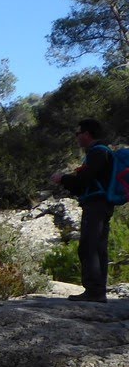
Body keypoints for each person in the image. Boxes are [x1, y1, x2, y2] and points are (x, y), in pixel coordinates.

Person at [50, 119, 115, 302]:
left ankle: (94, 291)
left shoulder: (98, 153)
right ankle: (97, 290)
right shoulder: (101, 152)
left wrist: (63, 178)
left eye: (77, 134)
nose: (76, 138)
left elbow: (83, 181)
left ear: (86, 134)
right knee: (98, 246)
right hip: (101, 203)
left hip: (96, 204)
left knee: (89, 246)